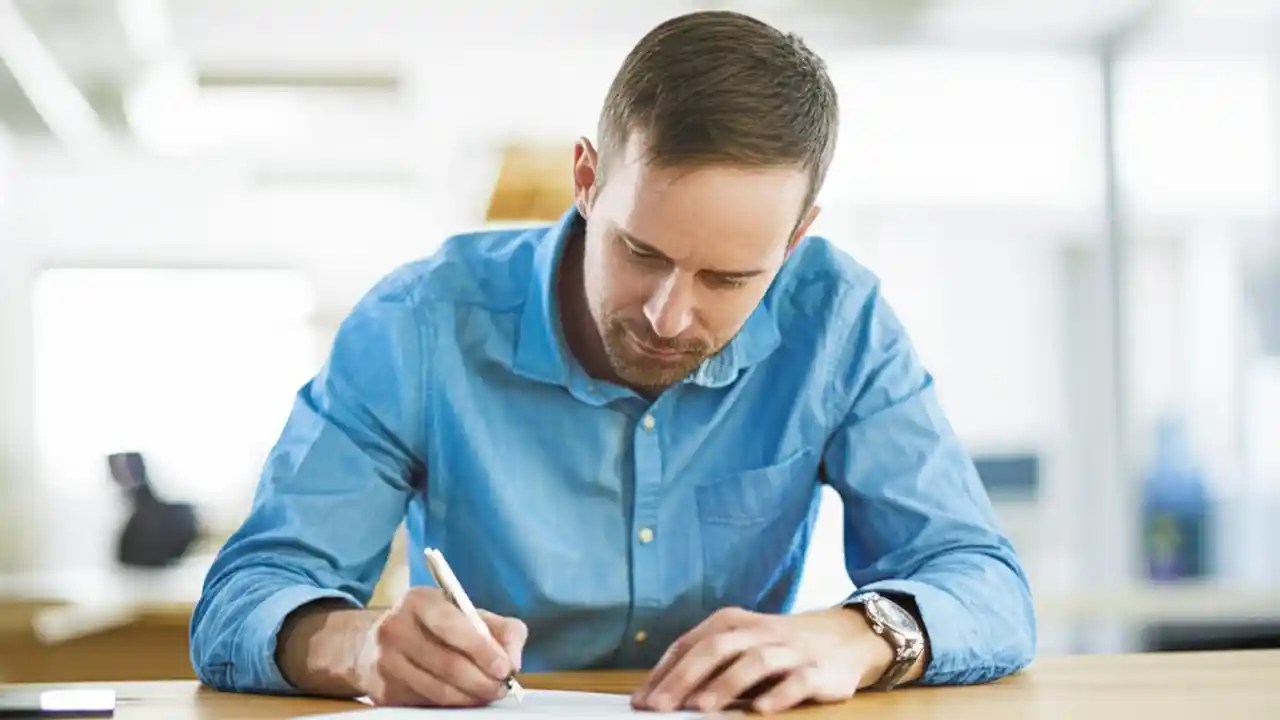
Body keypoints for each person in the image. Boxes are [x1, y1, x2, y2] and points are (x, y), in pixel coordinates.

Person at [190, 10, 1035, 716]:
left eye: (730, 278)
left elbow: (987, 587)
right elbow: (245, 596)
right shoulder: (416, 326)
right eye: (640, 250)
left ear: (797, 237)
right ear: (587, 179)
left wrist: (858, 636)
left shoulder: (840, 322)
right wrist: (359, 646)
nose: (670, 315)